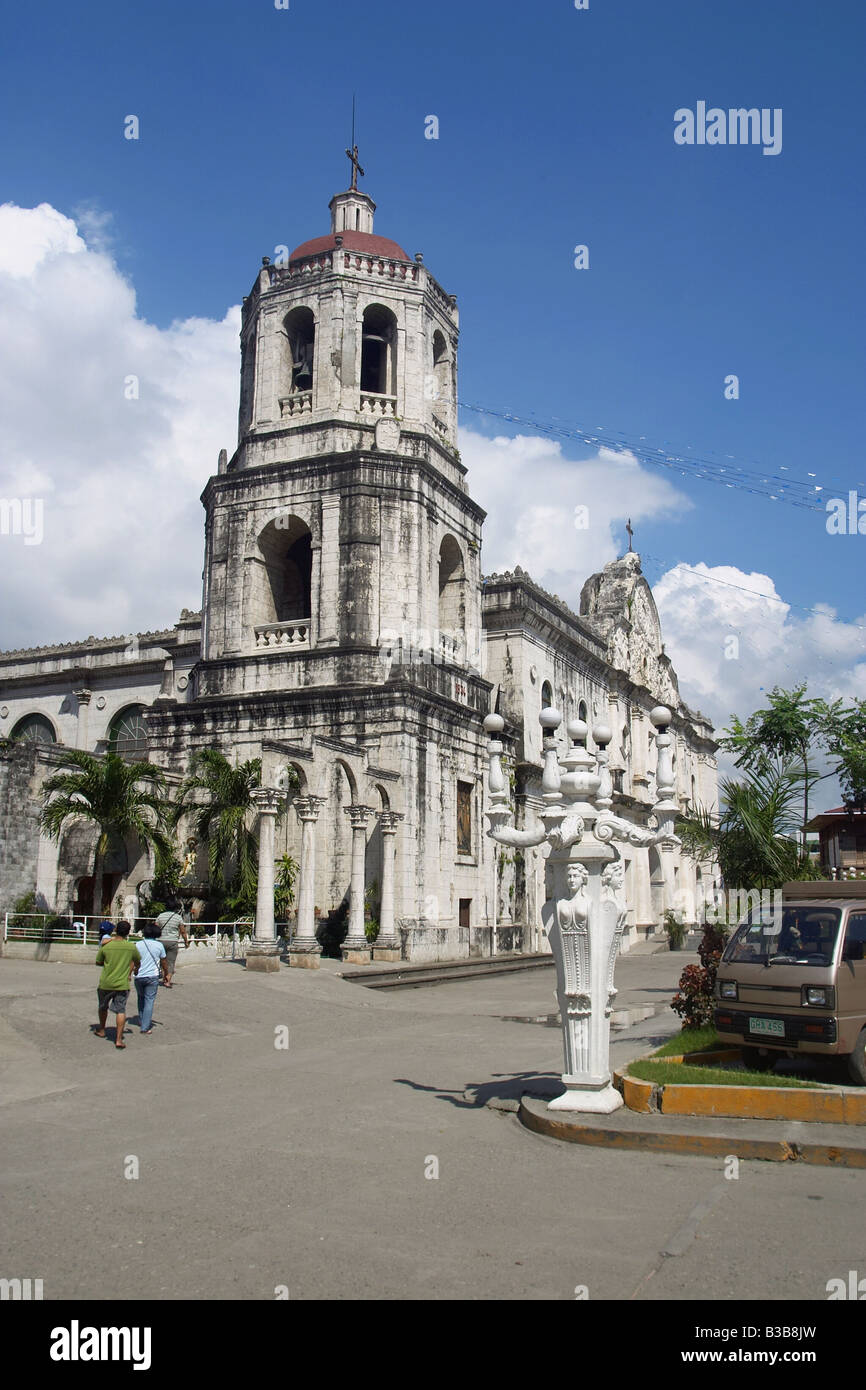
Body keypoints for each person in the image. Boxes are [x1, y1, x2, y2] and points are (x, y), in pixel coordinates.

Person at [94, 922, 139, 1049]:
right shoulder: (131, 947)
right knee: (120, 1010)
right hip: (122, 984)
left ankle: (102, 1030)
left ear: (115, 931)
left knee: (103, 1007)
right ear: (128, 932)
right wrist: (134, 970)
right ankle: (119, 1039)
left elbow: (98, 962)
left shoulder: (107, 946)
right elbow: (137, 961)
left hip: (106, 982)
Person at [135, 923, 168, 1034]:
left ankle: (141, 1019)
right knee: (149, 1000)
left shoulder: (138, 944)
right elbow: (164, 962)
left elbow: (133, 960)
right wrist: (166, 974)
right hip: (152, 976)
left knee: (140, 998)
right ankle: (145, 1026)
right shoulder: (159, 946)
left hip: (139, 975)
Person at [155, 899, 190, 986]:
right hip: (173, 942)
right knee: (171, 961)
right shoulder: (178, 917)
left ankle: (164, 977)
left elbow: (155, 928)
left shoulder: (160, 916)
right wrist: (186, 942)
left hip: (160, 941)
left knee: (162, 961)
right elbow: (183, 931)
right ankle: (168, 980)